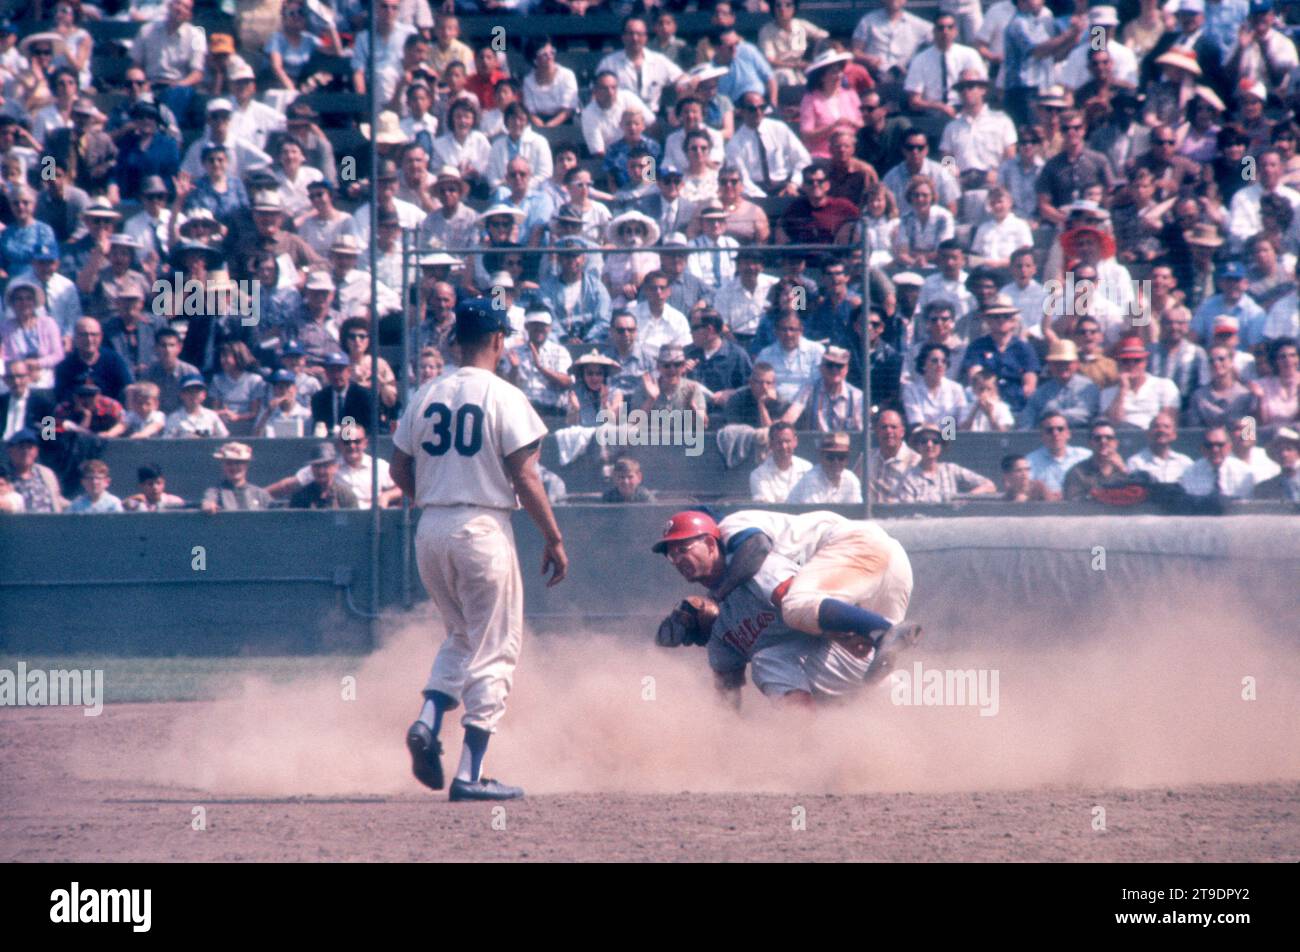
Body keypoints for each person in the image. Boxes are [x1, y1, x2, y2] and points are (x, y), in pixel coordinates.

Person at [391, 298, 566, 802]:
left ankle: (428, 721)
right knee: (496, 649)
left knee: (463, 637)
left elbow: (398, 471)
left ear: (454, 343)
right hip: (483, 527)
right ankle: (469, 775)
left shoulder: (425, 394)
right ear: (497, 340)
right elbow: (526, 475)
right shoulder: (504, 395)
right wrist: (553, 538)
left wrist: (435, 498)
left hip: (432, 526)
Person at [652, 507, 919, 705]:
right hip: (880, 573)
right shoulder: (720, 628)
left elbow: (758, 550)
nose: (676, 559)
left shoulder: (743, 549)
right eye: (670, 554)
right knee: (879, 667)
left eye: (682, 548)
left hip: (853, 543)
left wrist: (714, 598)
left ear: (711, 543)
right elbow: (728, 691)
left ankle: (882, 630)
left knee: (793, 611)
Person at [1102, 335, 1182, 428]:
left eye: (1137, 360)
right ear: (1118, 363)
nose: (1131, 365)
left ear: (1145, 362)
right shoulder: (1107, 393)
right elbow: (1113, 425)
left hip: (1153, 438)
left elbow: (1169, 423)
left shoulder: (1165, 385)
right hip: (1123, 438)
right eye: (1126, 361)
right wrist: (1122, 390)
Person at [1178, 425, 1256, 499]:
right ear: (1202, 448)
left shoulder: (1244, 472)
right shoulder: (1191, 472)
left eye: (1220, 445)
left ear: (1229, 447)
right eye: (1209, 445)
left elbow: (1247, 506)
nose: (1215, 450)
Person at [787, 432, 863, 504]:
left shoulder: (851, 480)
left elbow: (855, 513)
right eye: (831, 457)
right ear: (821, 457)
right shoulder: (811, 479)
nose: (836, 462)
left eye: (841, 457)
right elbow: (812, 515)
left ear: (847, 460)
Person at [1062, 420, 1130, 500]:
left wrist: (1123, 470)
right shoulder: (1077, 473)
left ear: (1116, 443)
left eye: (1108, 438)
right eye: (1098, 438)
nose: (1103, 441)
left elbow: (1137, 497)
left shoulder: (1125, 472)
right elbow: (1073, 505)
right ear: (1090, 443)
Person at [2, 428, 66, 512]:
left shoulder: (46, 473)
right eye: (21, 447)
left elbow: (57, 499)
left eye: (30, 447)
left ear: (36, 451)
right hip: (17, 524)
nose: (26, 451)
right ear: (10, 450)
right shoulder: (3, 476)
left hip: (50, 523)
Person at [1026, 412, 1091, 495]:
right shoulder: (1030, 462)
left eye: (1060, 429)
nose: (1055, 433)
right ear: (1042, 435)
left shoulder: (1086, 456)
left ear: (1068, 434)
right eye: (1050, 430)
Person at [311, 353, 375, 435]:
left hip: (354, 442)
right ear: (326, 373)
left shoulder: (363, 396)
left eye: (340, 370)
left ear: (349, 372)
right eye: (332, 370)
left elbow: (370, 427)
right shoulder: (319, 398)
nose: (336, 375)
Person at [750, 421, 812, 503]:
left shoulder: (807, 469)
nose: (784, 446)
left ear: (795, 442)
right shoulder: (758, 475)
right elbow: (768, 509)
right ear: (771, 444)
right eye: (779, 442)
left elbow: (811, 502)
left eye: (787, 441)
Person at [1125, 410, 1194, 483]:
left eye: (1166, 427)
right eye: (1156, 426)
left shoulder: (1185, 462)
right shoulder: (1135, 463)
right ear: (1148, 434)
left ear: (1174, 435)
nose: (1161, 430)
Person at [201, 441, 273, 512]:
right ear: (223, 466)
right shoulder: (215, 492)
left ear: (246, 465)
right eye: (229, 463)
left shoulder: (260, 494)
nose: (234, 467)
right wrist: (208, 505)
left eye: (238, 463)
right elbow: (208, 501)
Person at [289, 444, 359, 510]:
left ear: (335, 467)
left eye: (325, 466)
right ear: (311, 468)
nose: (321, 471)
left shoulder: (347, 497)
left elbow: (354, 521)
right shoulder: (300, 497)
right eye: (317, 466)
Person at [163, 374, 228, 439]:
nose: (193, 395)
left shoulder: (211, 415)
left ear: (204, 395)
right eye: (189, 391)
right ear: (181, 395)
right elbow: (167, 443)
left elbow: (224, 437)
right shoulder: (174, 418)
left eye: (197, 391)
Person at [1254, 426, 1300, 500]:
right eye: (1279, 450)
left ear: (1298, 453)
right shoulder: (1265, 489)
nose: (1284, 454)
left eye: (1289, 449)